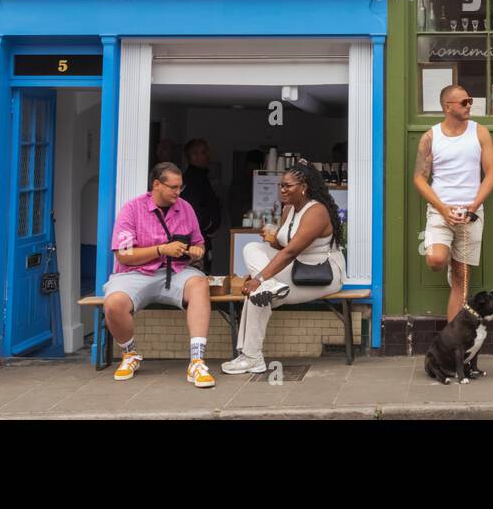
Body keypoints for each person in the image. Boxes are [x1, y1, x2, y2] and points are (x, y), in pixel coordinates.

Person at [221, 160, 346, 375]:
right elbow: (284, 245)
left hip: (321, 272)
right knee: (252, 249)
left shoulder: (316, 211)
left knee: (259, 291)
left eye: (287, 186)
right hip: (297, 267)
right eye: (281, 185)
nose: (282, 190)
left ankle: (252, 357)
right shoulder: (289, 208)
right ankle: (252, 355)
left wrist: (259, 279)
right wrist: (272, 240)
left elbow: (290, 251)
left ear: (304, 186)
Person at [102, 162, 216, 388]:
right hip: (135, 273)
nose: (178, 192)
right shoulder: (131, 209)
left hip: (176, 271)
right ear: (156, 184)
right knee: (113, 303)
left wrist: (196, 251)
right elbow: (123, 255)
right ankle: (130, 355)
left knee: (200, 284)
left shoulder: (186, 208)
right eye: (173, 187)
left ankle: (197, 361)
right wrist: (160, 249)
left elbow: (199, 243)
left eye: (180, 187)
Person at [413, 84, 493, 322]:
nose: (469, 105)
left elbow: (491, 173)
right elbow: (419, 178)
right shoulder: (430, 138)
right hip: (441, 212)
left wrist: (473, 207)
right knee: (436, 259)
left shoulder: (480, 132)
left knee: (461, 280)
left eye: (469, 100)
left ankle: (453, 342)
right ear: (447, 106)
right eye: (463, 102)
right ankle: (448, 256)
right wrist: (442, 209)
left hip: (470, 214)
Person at [182, 138, 222, 245]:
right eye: (204, 152)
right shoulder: (192, 179)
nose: (208, 155)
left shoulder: (201, 177)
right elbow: (192, 209)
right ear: (193, 156)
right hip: (195, 241)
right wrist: (209, 226)